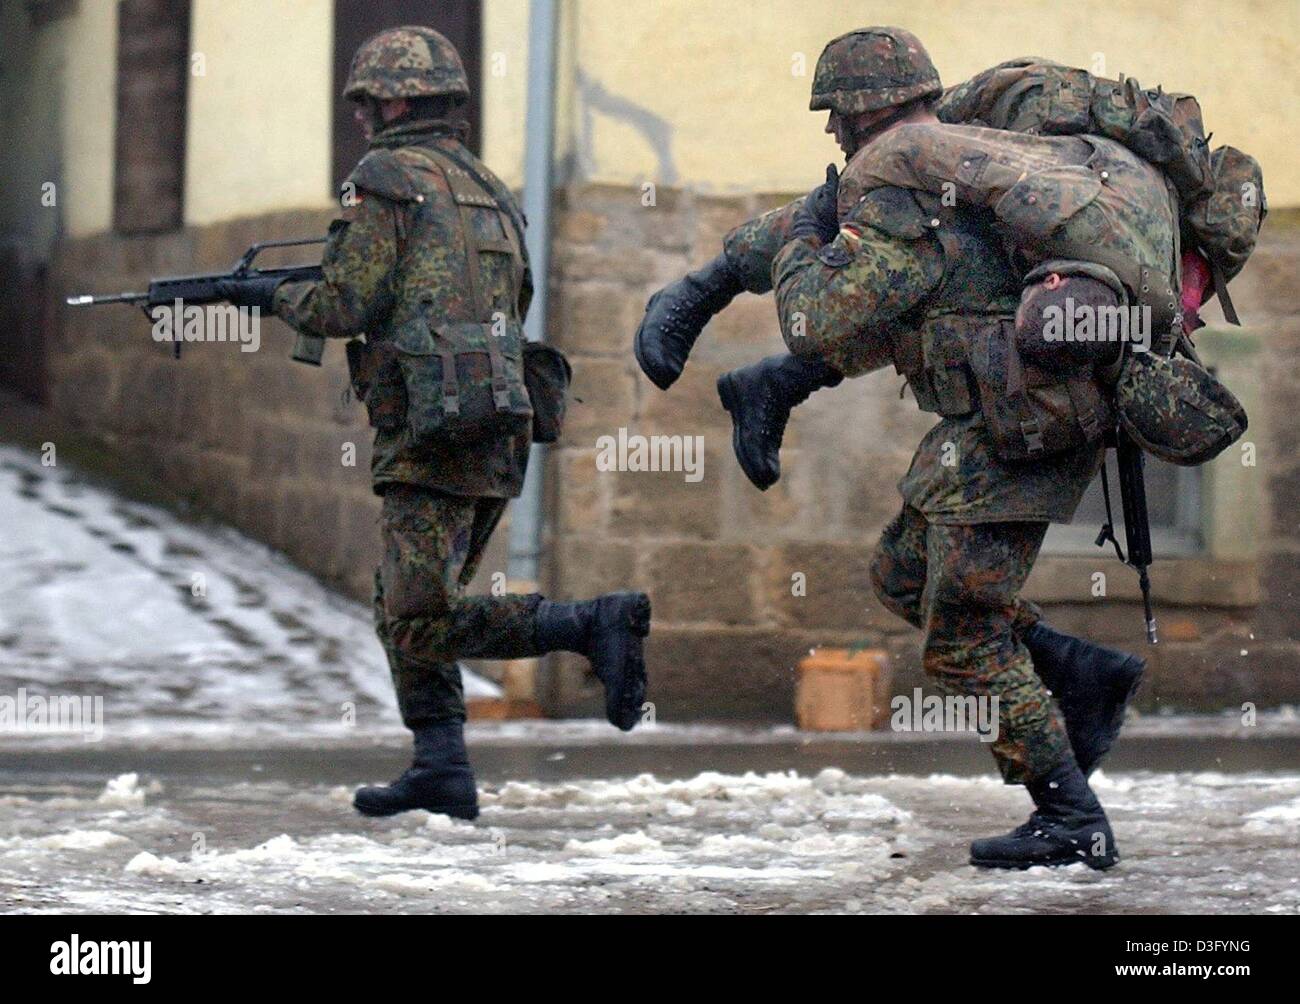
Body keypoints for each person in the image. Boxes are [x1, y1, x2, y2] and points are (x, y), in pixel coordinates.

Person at [639, 28, 1149, 869]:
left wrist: (801, 244)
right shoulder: (951, 166)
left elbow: (819, 319)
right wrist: (710, 284)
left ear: (857, 110)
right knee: (901, 576)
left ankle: (1071, 815)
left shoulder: (912, 191)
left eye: (835, 116)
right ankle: (1074, 669)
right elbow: (919, 301)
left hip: (1019, 437)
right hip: (999, 428)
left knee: (962, 642)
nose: (832, 136)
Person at [218, 26, 651, 821]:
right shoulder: (488, 185)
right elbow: (503, 305)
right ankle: (441, 762)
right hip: (499, 418)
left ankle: (589, 624)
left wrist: (268, 297)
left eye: (366, 102)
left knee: (419, 614)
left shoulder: (383, 177)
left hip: (432, 429)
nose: (360, 118)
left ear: (397, 100)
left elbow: (345, 303)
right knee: (407, 600)